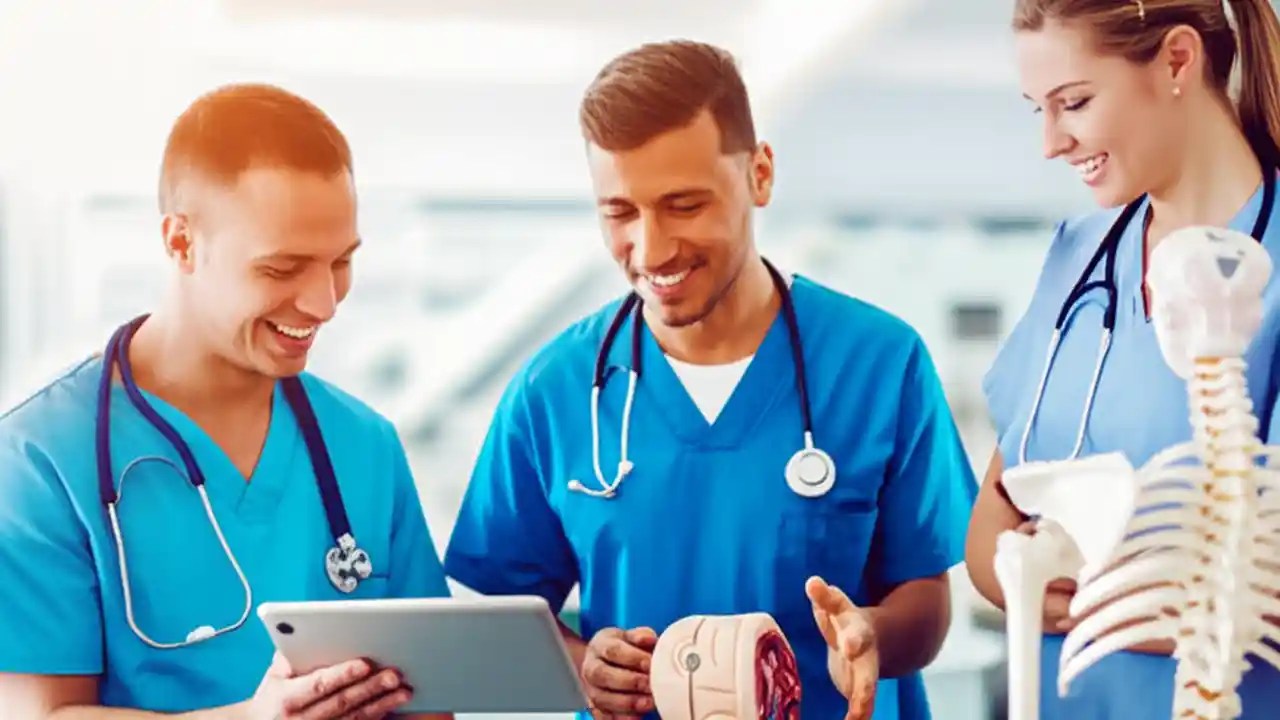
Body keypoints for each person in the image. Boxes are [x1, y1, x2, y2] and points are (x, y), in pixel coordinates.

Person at [443, 39, 978, 720]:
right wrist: (585, 668)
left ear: (759, 175)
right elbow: (502, 612)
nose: (652, 248)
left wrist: (870, 637)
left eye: (684, 205)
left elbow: (926, 598)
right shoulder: (554, 390)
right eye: (620, 213)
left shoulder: (880, 362)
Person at [0, 83, 452, 719]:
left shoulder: (364, 445)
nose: (324, 303)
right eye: (281, 268)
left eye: (340, 262)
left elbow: (428, 701)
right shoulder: (39, 460)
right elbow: (39, 715)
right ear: (181, 242)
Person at [965, 1, 1280, 718]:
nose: (1051, 142)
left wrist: (1081, 589)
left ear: (1177, 60)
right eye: (1036, 110)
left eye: (1073, 102)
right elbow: (993, 523)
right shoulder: (1079, 256)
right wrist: (1045, 581)